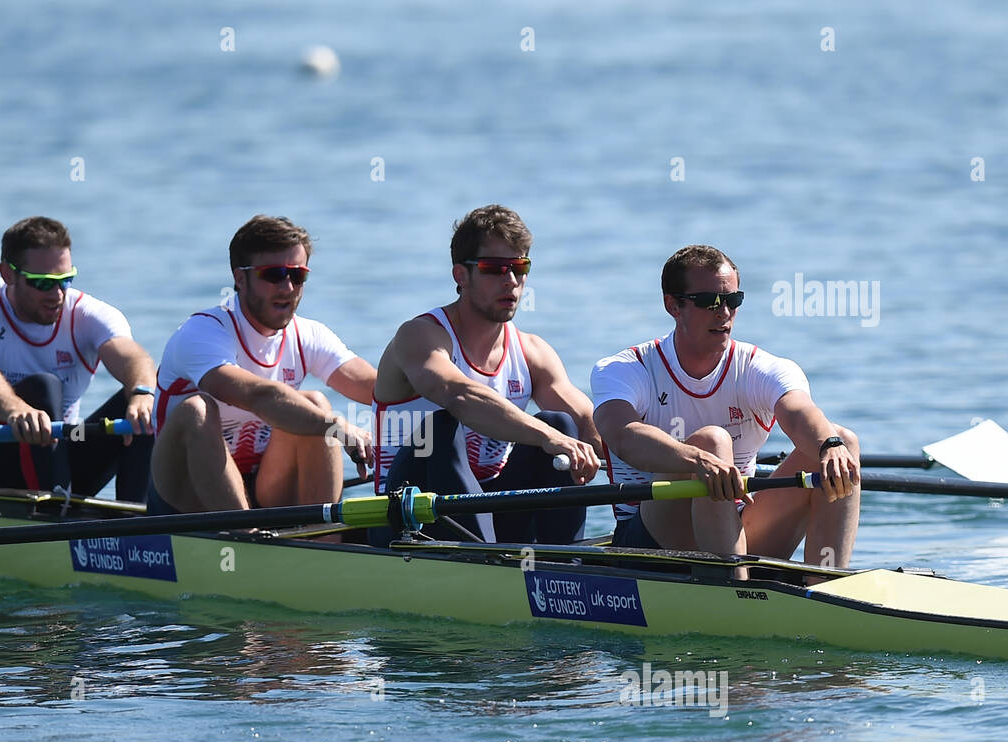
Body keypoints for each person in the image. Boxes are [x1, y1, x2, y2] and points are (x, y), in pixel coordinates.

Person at [590, 244, 860, 570]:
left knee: (841, 440)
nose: (725, 313)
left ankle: (826, 588)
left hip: (735, 526)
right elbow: (623, 436)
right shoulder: (627, 369)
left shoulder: (758, 367)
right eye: (710, 302)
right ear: (673, 305)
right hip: (649, 542)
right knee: (713, 441)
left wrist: (828, 445)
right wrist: (699, 458)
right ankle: (735, 590)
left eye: (733, 301)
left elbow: (797, 410)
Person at [370, 204, 601, 544]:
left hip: (492, 513)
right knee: (440, 429)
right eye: (494, 268)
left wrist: (661, 457)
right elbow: (460, 395)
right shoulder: (420, 336)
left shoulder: (533, 351)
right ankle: (489, 563)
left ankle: (567, 567)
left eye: (519, 267)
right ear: (460, 275)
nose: (511, 281)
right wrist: (545, 438)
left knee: (561, 424)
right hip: (406, 516)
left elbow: (587, 420)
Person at [149, 215, 376, 515]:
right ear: (240, 279)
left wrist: (446, 396)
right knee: (198, 409)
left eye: (298, 275)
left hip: (263, 488)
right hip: (184, 496)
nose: (287, 287)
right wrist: (338, 427)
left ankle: (321, 542)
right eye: (274, 274)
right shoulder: (203, 332)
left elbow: (380, 388)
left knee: (315, 402)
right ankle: (244, 535)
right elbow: (256, 395)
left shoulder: (308, 334)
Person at [0, 216, 156, 501]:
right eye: (43, 283)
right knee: (43, 387)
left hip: (56, 463)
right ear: (8, 274)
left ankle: (138, 527)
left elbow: (133, 358)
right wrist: (16, 410)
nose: (57, 294)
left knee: (150, 397)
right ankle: (57, 518)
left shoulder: (90, 314)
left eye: (66, 280)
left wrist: (142, 393)